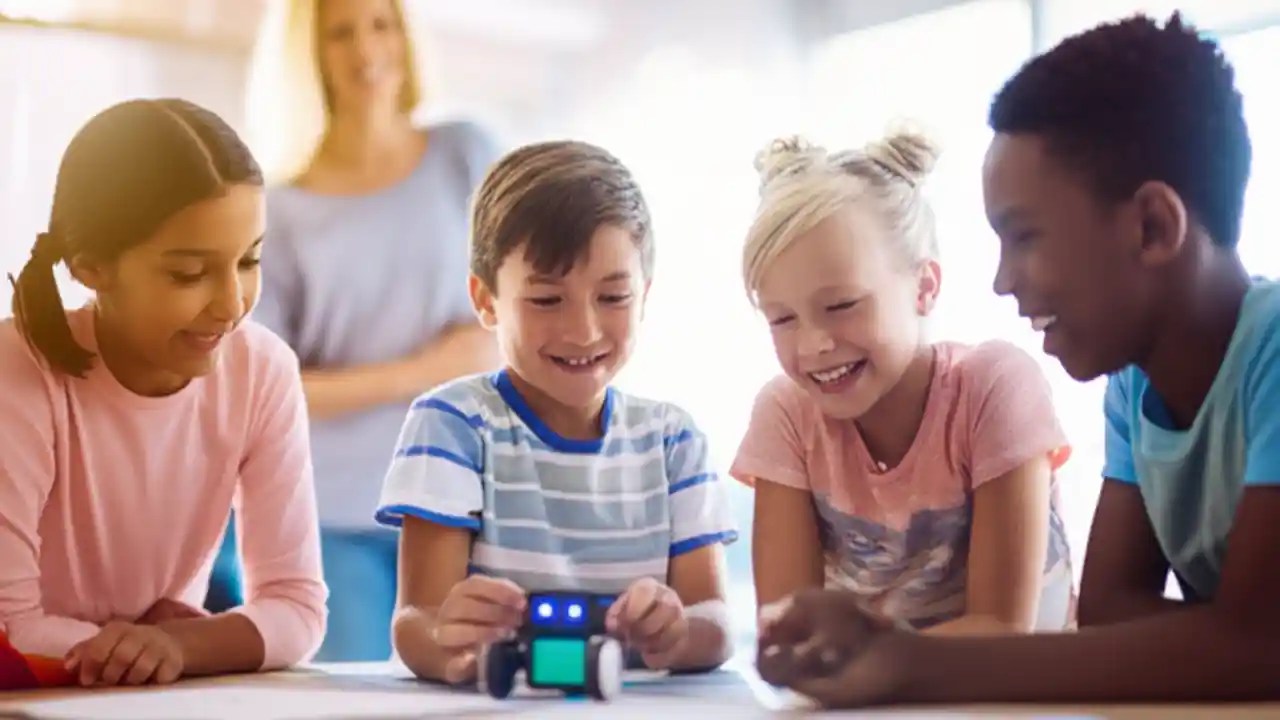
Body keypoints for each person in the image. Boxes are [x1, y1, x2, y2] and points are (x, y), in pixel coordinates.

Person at [756, 12, 1280, 707]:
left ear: (1153, 227)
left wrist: (906, 662)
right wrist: (1219, 640)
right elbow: (1110, 611)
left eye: (1024, 237)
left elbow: (1253, 644)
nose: (1004, 280)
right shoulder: (1134, 384)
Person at [377, 140, 739, 685]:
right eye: (547, 300)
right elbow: (417, 621)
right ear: (485, 300)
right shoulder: (453, 425)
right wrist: (447, 643)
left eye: (613, 298)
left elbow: (714, 619)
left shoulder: (673, 441)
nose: (584, 331)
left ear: (645, 295)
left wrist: (679, 631)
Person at [0, 98, 326, 688]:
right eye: (188, 273)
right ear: (91, 266)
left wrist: (177, 644)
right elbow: (9, 629)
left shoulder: (262, 372)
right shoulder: (16, 373)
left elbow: (297, 608)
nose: (232, 305)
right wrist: (157, 647)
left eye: (249, 259)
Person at [217, 0, 503, 661]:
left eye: (380, 24)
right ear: (309, 55)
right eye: (340, 33)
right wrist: (420, 372)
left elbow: (514, 308)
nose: (365, 48)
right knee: (358, 697)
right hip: (332, 514)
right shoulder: (278, 208)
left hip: (465, 496)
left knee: (482, 689)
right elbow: (266, 383)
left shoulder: (466, 153)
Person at [732, 129, 1074, 637]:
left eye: (842, 305)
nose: (812, 346)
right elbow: (787, 629)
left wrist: (857, 660)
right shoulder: (787, 412)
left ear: (924, 286)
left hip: (1017, 699)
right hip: (879, 699)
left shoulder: (995, 388)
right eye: (782, 320)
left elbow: (1003, 630)